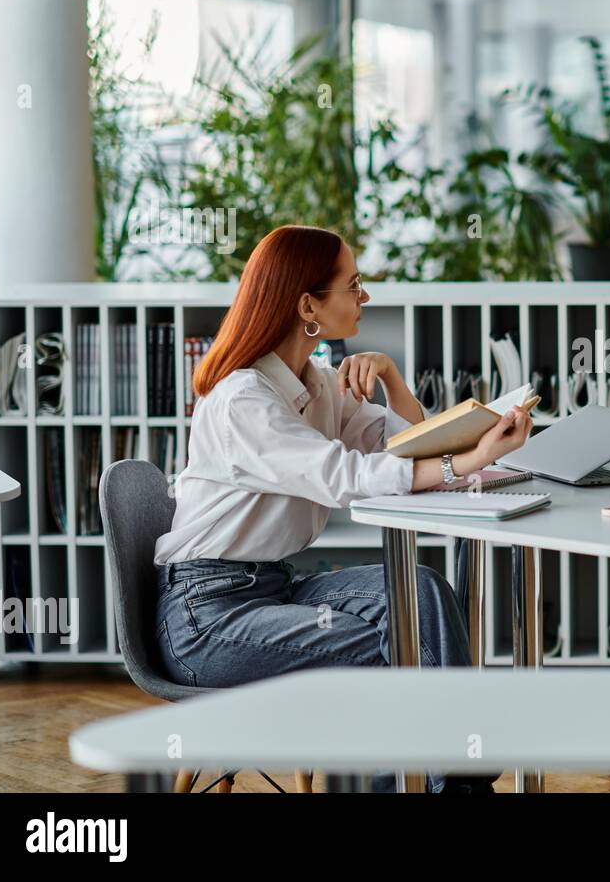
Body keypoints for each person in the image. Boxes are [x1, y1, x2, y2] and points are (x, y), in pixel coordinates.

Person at [152, 225, 533, 792]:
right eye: (354, 285)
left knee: (421, 592)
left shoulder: (321, 384)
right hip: (208, 619)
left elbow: (407, 445)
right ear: (309, 304)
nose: (366, 296)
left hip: (277, 588)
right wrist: (467, 463)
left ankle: (451, 784)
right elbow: (346, 476)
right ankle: (454, 784)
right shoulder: (243, 399)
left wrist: (391, 376)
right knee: (392, 658)